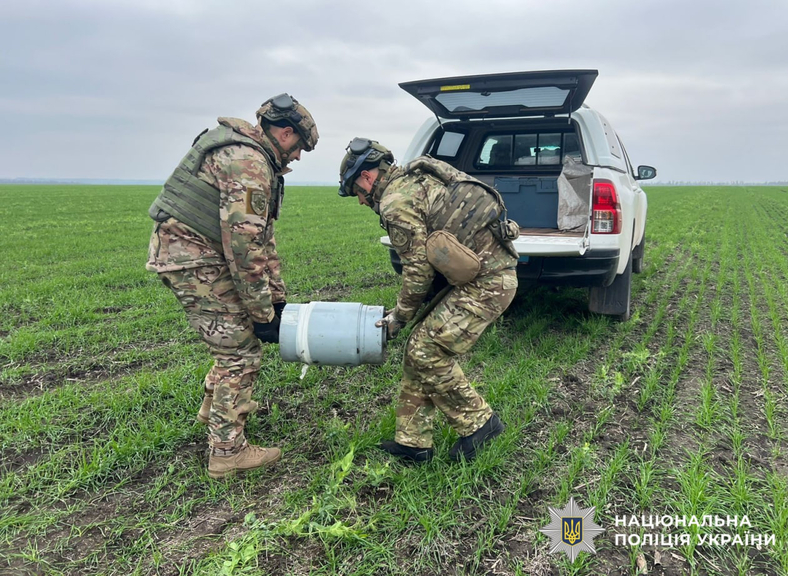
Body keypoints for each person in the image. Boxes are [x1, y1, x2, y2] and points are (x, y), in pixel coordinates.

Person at [146, 94, 318, 479]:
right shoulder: (249, 163)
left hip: (192, 257)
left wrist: (277, 298)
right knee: (240, 353)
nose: (298, 157)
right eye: (299, 147)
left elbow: (263, 238)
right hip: (197, 262)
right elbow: (244, 247)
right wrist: (262, 314)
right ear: (285, 132)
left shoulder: (247, 154)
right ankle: (227, 452)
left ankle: (213, 409)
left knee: (232, 342)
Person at [338, 138, 519, 462]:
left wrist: (399, 317)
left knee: (426, 350)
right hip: (484, 276)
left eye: (357, 194)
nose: (362, 202)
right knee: (418, 348)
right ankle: (413, 443)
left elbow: (418, 271)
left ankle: (480, 423)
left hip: (488, 283)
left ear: (366, 177)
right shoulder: (414, 178)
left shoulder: (395, 202)